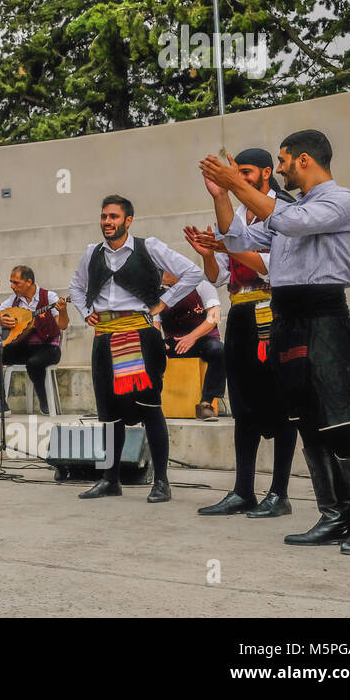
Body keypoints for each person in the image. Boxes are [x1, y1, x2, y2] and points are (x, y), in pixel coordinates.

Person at [198, 130, 350, 554]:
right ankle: (335, 516)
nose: (279, 168)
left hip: (325, 319)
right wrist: (222, 194)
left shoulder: (340, 201)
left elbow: (287, 222)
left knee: (339, 424)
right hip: (289, 320)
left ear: (304, 160)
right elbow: (238, 240)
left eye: (282, 160)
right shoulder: (292, 207)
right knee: (307, 424)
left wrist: (238, 183)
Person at [184, 148, 299, 519]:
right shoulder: (230, 216)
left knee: (280, 403)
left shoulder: (283, 209)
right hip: (241, 312)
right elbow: (217, 277)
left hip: (272, 308)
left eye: (246, 173)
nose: (241, 179)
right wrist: (209, 251)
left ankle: (279, 493)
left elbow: (272, 265)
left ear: (267, 173)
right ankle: (243, 490)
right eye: (238, 174)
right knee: (244, 404)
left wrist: (231, 246)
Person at [68, 196, 203, 503]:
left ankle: (162, 481)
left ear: (128, 220)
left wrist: (163, 303)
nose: (107, 222)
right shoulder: (91, 253)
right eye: (104, 216)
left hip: (140, 337)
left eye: (114, 216)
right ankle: (109, 479)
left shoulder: (149, 247)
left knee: (150, 408)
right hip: (103, 337)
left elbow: (193, 273)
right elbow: (75, 287)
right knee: (108, 414)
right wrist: (83, 309)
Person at [0, 266, 68, 416]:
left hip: (48, 348)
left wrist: (62, 310)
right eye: (11, 282)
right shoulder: (13, 301)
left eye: (16, 283)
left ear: (29, 282)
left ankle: (44, 401)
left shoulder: (49, 297)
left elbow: (62, 325)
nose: (12, 286)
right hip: (22, 347)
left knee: (34, 363)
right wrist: (0, 320)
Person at [157, 272, 227, 421]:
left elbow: (214, 316)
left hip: (202, 339)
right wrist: (158, 346)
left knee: (219, 351)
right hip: (174, 341)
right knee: (150, 352)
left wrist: (192, 337)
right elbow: (155, 325)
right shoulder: (157, 293)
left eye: (161, 270)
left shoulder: (201, 284)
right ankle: (153, 406)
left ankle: (206, 403)